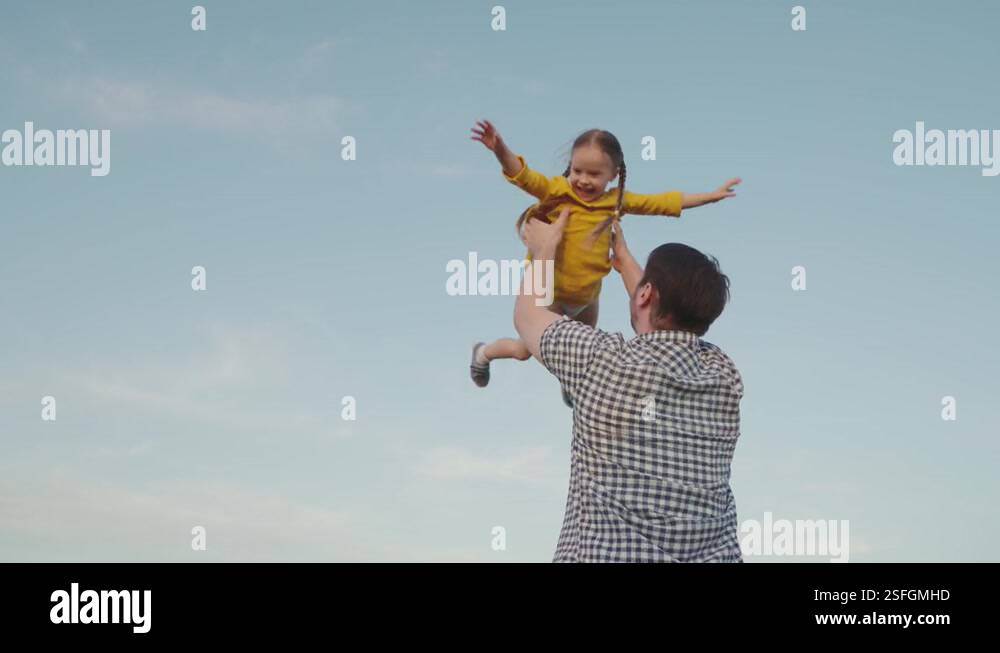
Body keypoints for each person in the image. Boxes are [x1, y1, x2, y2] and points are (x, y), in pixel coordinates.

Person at [514, 211, 744, 562]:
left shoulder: (600, 361)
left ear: (646, 294)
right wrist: (624, 263)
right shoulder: (724, 379)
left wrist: (544, 248)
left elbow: (528, 314)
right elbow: (670, 324)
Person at [468, 119, 740, 399]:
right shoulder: (558, 191)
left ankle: (571, 384)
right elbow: (523, 175)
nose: (584, 180)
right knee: (524, 350)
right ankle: (484, 352)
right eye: (577, 170)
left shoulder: (614, 202)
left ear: (613, 174)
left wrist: (709, 197)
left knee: (586, 345)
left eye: (594, 174)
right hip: (552, 294)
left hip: (587, 297)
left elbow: (662, 202)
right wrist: (499, 148)